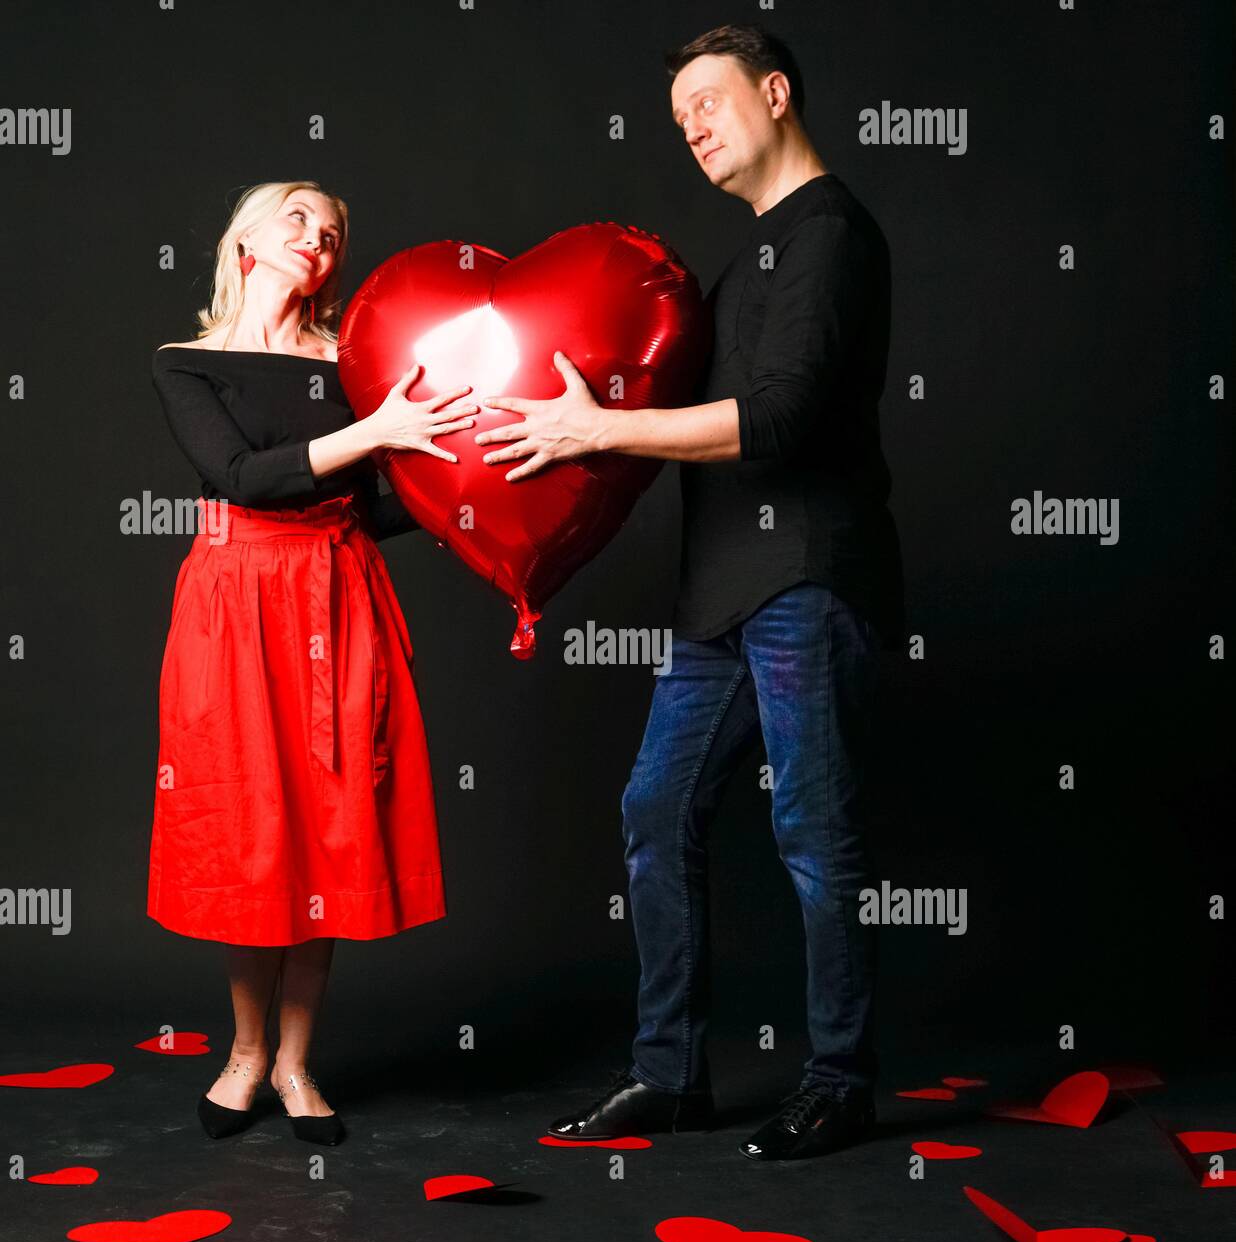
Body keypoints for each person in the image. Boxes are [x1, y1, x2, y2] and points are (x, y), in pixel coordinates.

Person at [473, 26, 906, 1160]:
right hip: (721, 596)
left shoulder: (829, 234)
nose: (693, 129)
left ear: (777, 93)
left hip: (807, 576)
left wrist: (600, 429)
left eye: (708, 102)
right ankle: (670, 1078)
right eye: (678, 121)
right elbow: (667, 407)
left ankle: (841, 1080)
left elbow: (783, 418)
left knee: (813, 828)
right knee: (656, 811)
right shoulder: (750, 256)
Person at [148, 180, 478, 1145]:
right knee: (251, 832)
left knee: (329, 828)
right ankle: (246, 1053)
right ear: (244, 240)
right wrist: (375, 432)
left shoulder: (354, 364)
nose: (318, 235)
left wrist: (468, 478)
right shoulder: (186, 364)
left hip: (338, 593)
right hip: (235, 604)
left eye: (332, 231)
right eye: (297, 215)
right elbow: (241, 477)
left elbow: (373, 505)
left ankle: (296, 1062)